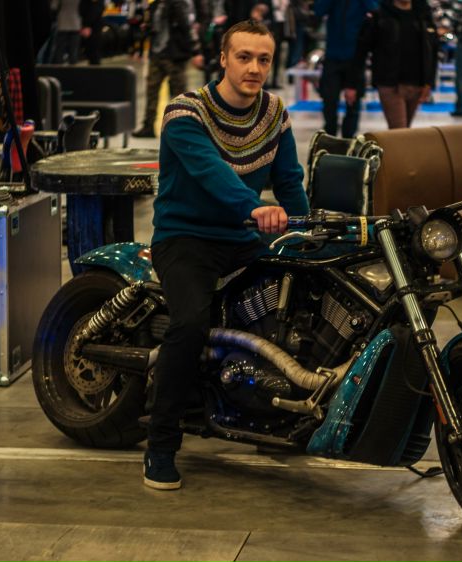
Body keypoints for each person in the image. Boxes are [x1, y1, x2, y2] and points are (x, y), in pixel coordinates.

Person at [143, 19, 310, 490]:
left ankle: (273, 415)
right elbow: (211, 172)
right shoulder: (185, 111)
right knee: (189, 324)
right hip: (185, 237)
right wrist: (254, 207)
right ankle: (161, 443)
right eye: (244, 57)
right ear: (223, 59)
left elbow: (290, 180)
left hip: (242, 235)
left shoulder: (274, 113)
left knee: (297, 303)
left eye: (263, 59)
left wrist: (305, 231)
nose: (254, 68)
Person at [345, 0, 437, 130]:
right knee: (399, 130)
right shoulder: (379, 16)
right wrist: (352, 84)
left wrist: (429, 82)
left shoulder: (423, 15)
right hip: (390, 84)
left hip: (416, 83)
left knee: (405, 131)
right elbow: (361, 51)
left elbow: (432, 50)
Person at [133, 0, 209, 138]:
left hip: (175, 55)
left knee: (178, 95)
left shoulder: (179, 3)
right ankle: (148, 126)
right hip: (157, 54)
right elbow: (150, 27)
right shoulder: (155, 4)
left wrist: (196, 51)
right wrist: (140, 49)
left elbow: (187, 27)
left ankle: (179, 128)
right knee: (151, 91)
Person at [314, 0, 378, 138]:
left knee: (353, 103)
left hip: (356, 56)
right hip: (332, 56)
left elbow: (374, 8)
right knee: (329, 100)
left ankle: (348, 140)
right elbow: (319, 10)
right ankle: (330, 135)